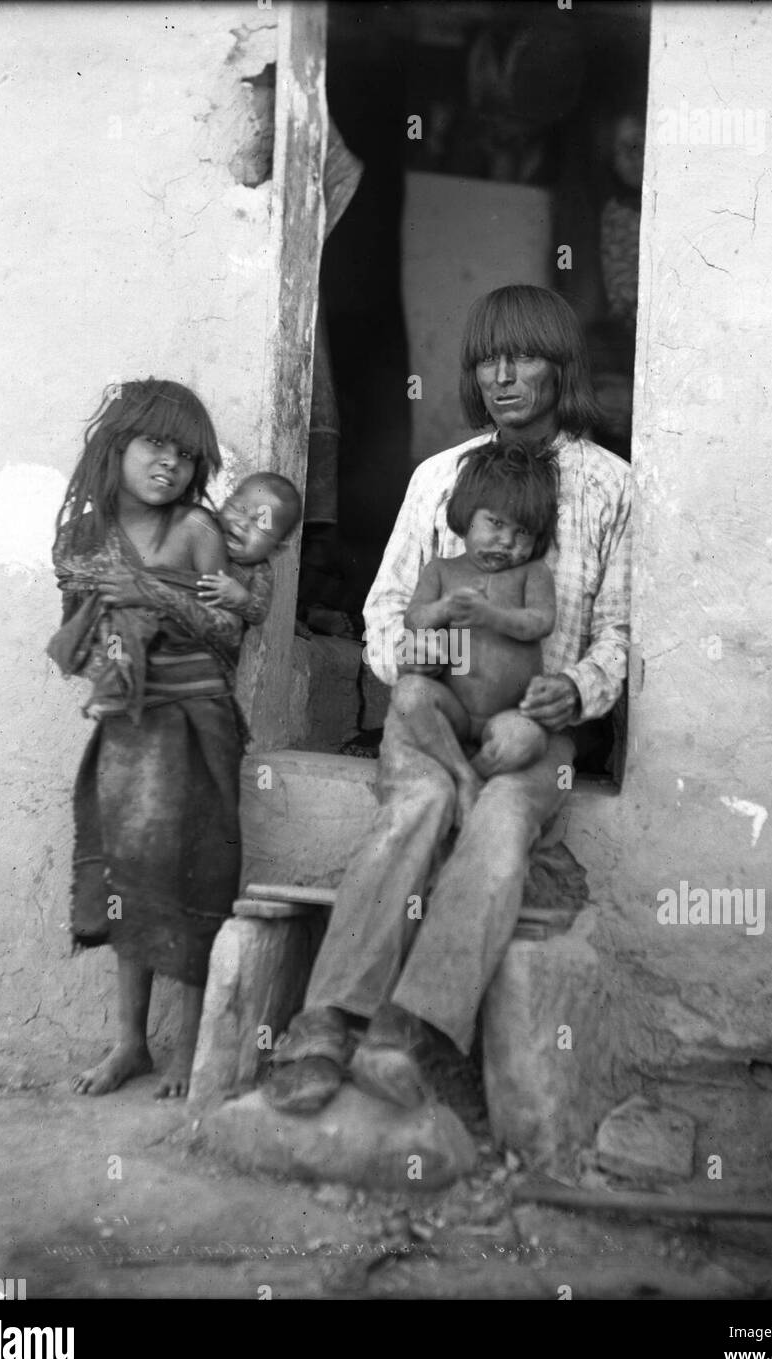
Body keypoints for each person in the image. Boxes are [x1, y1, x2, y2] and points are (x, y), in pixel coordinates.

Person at [266, 284, 631, 1115]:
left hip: (534, 737)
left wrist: (562, 695)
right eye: (486, 361)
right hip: (431, 718)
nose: (503, 375)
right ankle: (323, 1024)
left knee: (501, 820)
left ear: (562, 367)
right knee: (417, 805)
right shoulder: (439, 478)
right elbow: (385, 615)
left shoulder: (610, 489)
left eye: (524, 357)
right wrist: (436, 669)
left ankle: (405, 1031)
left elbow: (618, 637)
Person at [48, 380, 282, 1099]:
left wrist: (148, 592)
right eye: (154, 446)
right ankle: (130, 1045)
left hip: (196, 720)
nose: (169, 466)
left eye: (185, 456)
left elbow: (228, 634)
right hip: (128, 722)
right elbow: (77, 632)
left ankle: (186, 1050)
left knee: (191, 877)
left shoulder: (196, 531)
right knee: (130, 878)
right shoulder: (84, 537)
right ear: (117, 446)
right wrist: (107, 641)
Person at [392, 437, 558, 823]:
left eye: (523, 533)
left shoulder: (532, 573)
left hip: (510, 712)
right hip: (452, 709)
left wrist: (490, 615)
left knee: (525, 740)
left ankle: (475, 774)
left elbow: (541, 621)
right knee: (410, 693)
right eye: (496, 523)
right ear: (466, 516)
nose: (507, 541)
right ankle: (462, 773)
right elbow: (414, 618)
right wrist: (444, 608)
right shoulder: (441, 571)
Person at [197, 471, 302, 613]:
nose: (243, 524)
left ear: (276, 549)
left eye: (261, 525)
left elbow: (259, 613)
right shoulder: (202, 527)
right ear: (223, 505)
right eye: (237, 509)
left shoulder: (260, 572)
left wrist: (243, 599)